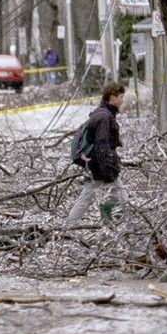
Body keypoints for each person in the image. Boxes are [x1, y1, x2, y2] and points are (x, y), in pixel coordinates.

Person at [66, 82, 128, 227]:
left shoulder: (103, 114)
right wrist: (108, 170)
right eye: (121, 97)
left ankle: (113, 228)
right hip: (99, 166)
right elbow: (102, 145)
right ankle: (68, 227)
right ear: (112, 98)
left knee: (110, 195)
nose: (122, 100)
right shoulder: (103, 117)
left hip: (96, 164)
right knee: (108, 196)